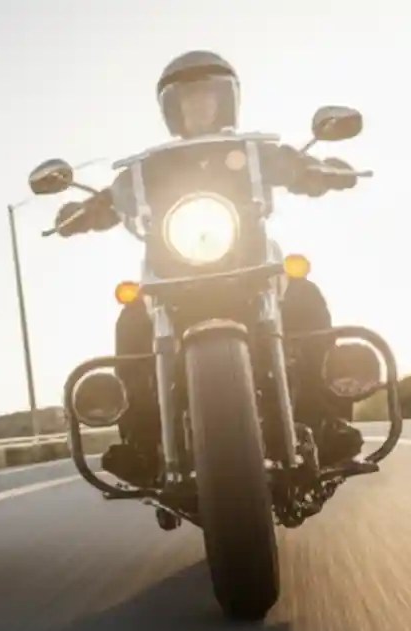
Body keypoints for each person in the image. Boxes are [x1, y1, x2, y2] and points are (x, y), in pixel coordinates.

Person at [52, 50, 364, 487]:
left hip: (252, 266)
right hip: (174, 277)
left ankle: (327, 420)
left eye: (208, 97)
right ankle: (141, 441)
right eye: (186, 100)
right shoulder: (148, 170)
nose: (198, 107)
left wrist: (321, 169)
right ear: (171, 111)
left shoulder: (255, 151)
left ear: (227, 101)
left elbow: (296, 166)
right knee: (131, 321)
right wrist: (85, 211)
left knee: (306, 295)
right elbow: (111, 197)